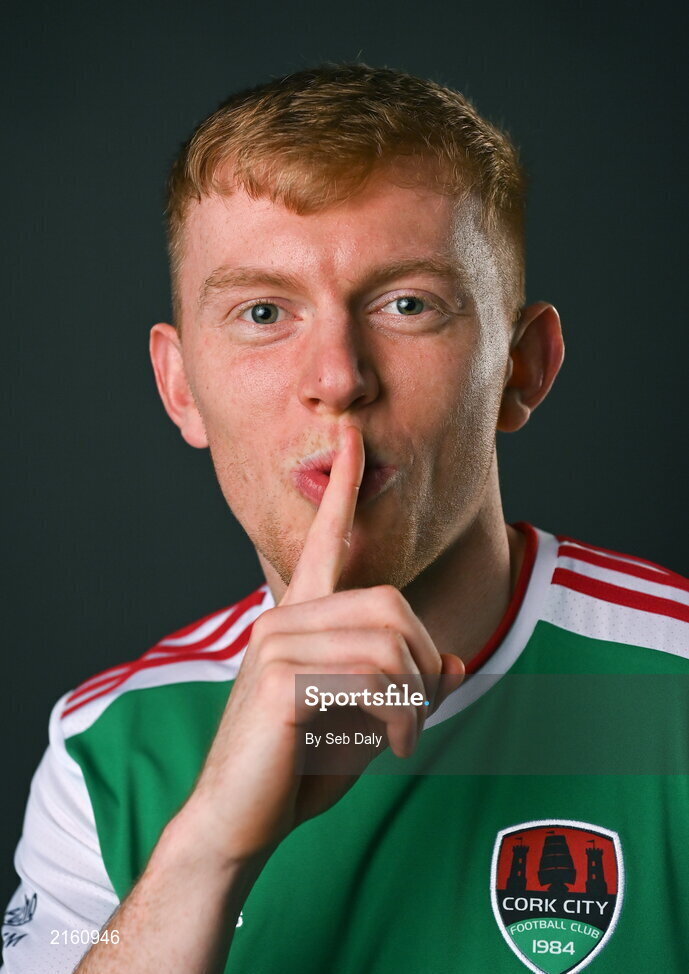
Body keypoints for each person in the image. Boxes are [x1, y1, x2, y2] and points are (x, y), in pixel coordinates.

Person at [2, 62, 688, 974]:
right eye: (261, 312)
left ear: (522, 366)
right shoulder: (109, 751)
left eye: (407, 304)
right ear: (181, 388)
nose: (337, 378)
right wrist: (206, 850)